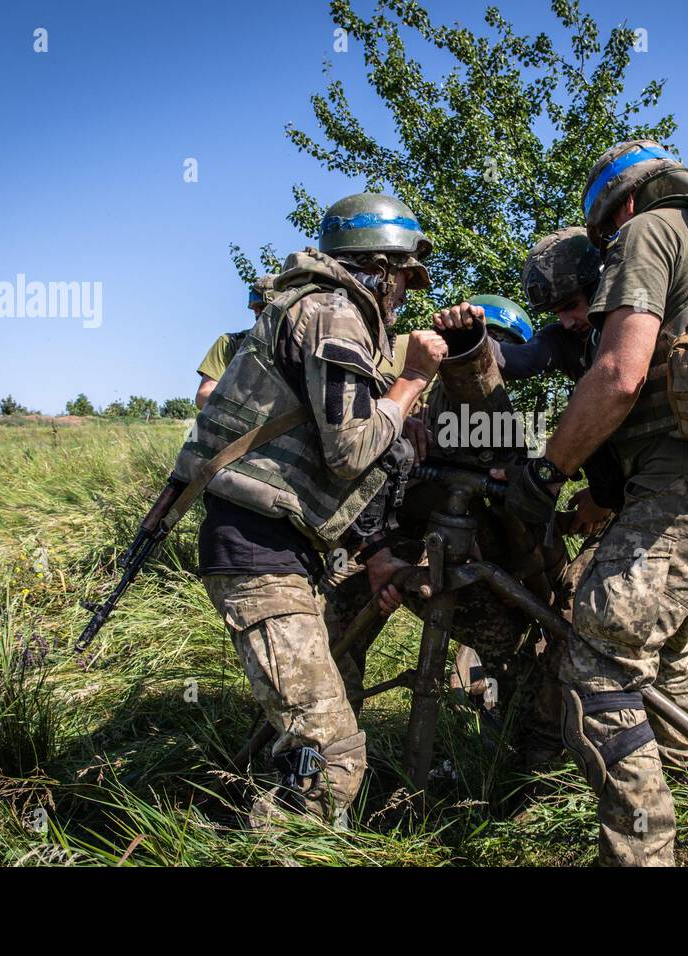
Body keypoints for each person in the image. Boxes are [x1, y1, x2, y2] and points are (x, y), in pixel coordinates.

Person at [498, 140, 688, 865]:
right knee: (667, 642)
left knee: (600, 653)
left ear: (621, 208)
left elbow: (619, 376)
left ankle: (644, 853)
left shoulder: (650, 231)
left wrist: (545, 476)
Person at [172, 192, 448, 828]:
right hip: (259, 549)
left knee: (314, 726)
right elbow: (351, 448)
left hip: (282, 545)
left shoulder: (312, 308)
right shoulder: (333, 313)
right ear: (380, 267)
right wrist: (410, 383)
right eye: (407, 277)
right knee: (333, 756)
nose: (406, 294)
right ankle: (284, 842)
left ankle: (270, 825)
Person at [195, 275, 276, 409]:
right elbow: (203, 395)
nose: (258, 312)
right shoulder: (230, 343)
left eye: (265, 307)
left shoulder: (299, 345)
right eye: (257, 308)